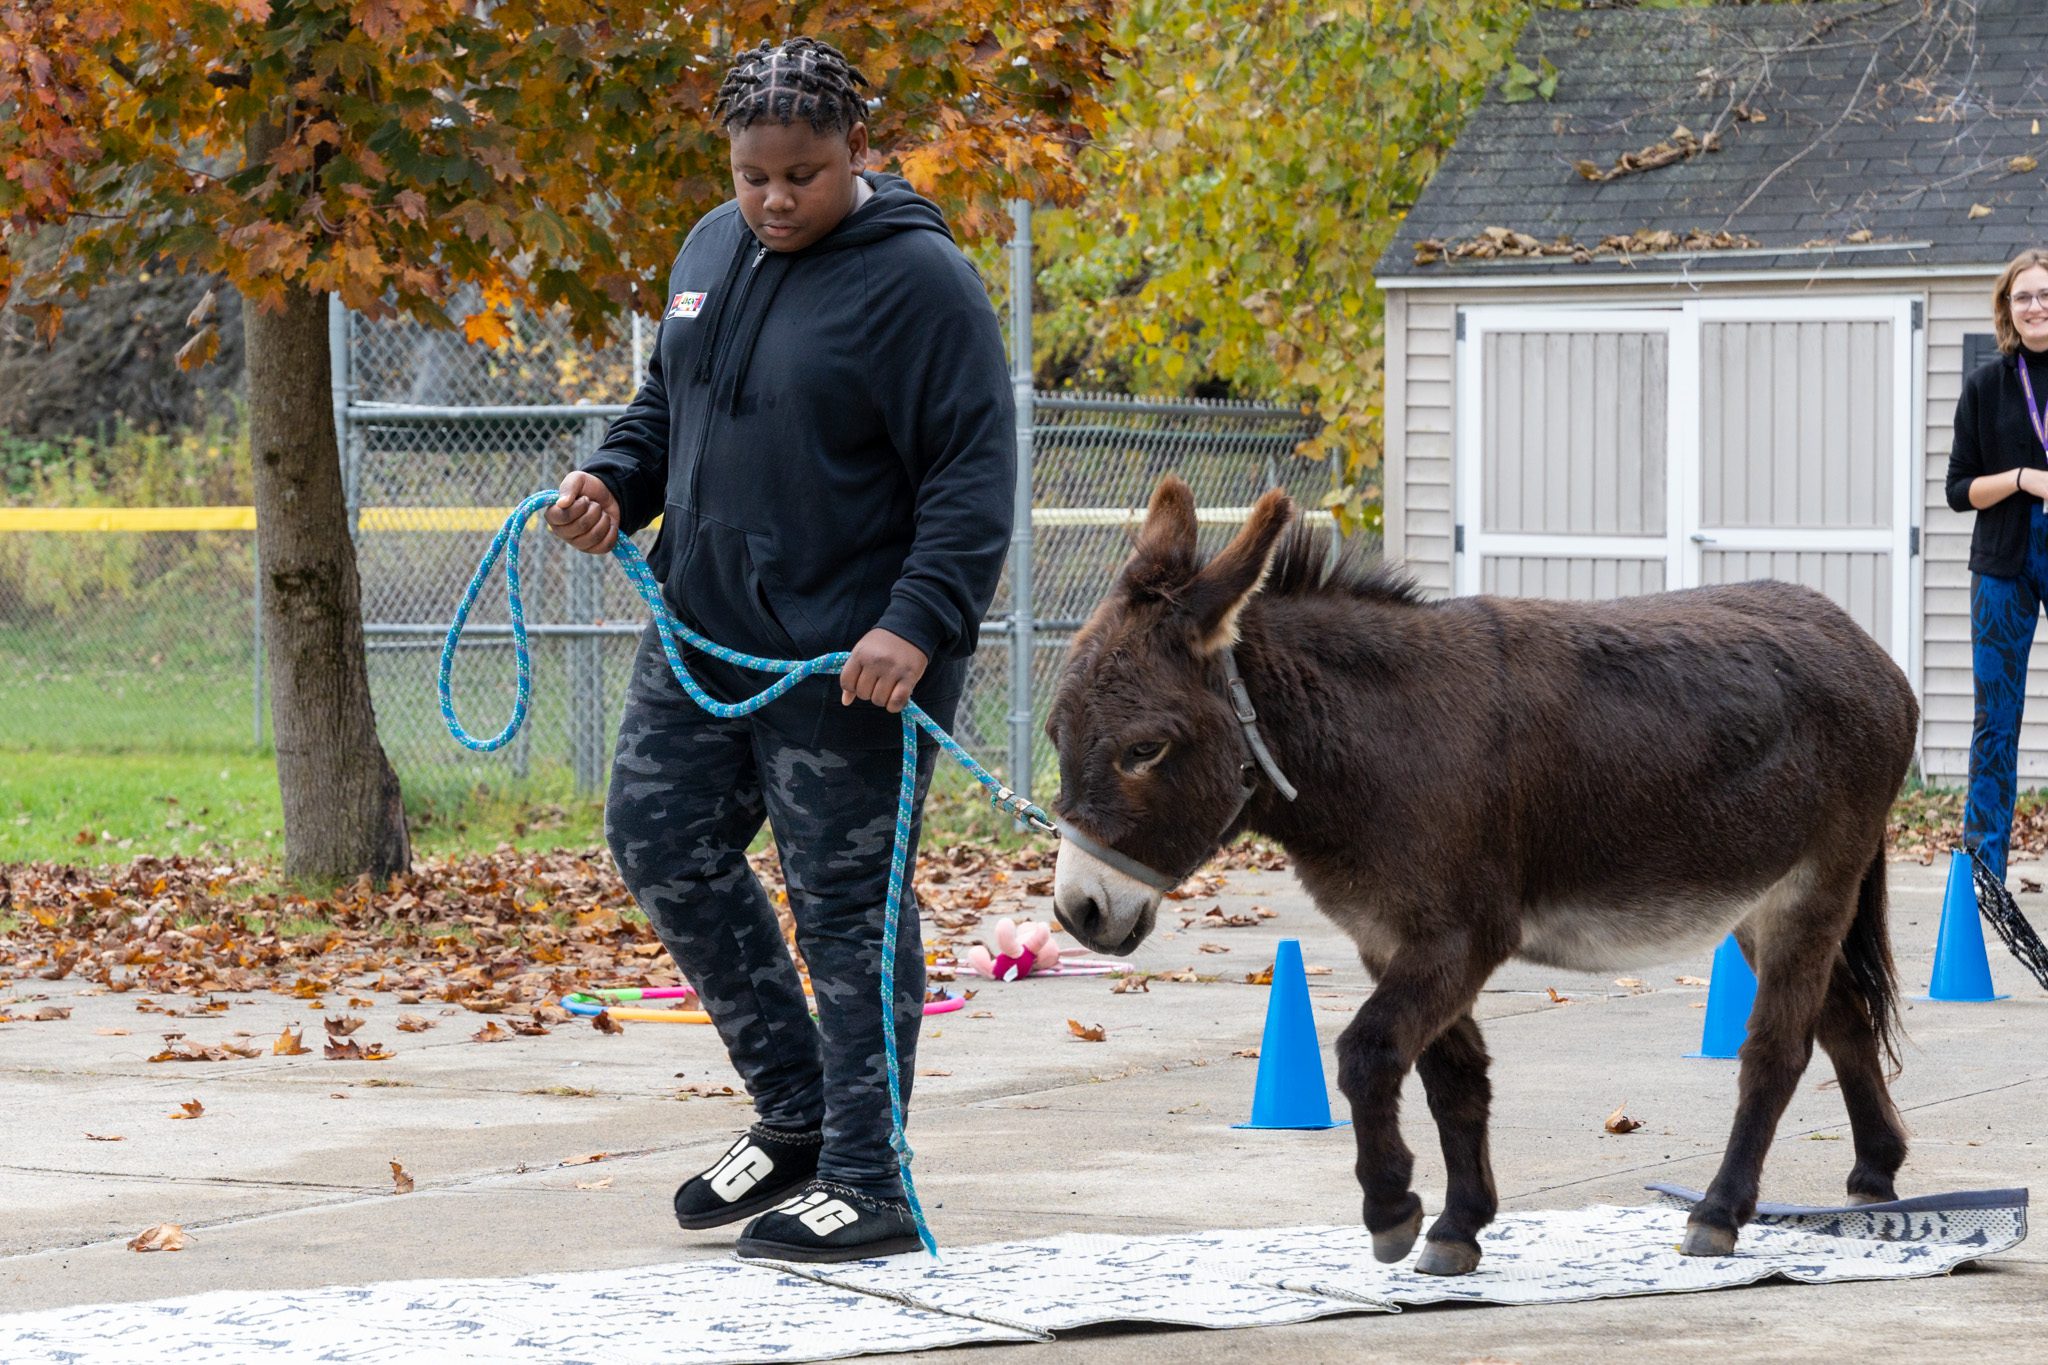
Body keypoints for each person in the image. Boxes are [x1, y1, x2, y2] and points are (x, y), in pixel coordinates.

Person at [543, 35, 1014, 1262]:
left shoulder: (921, 284)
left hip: (849, 663)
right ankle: (801, 1113)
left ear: (855, 151)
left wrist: (914, 625)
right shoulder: (709, 246)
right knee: (659, 843)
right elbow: (668, 405)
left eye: (801, 174)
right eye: (753, 174)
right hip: (708, 636)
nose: (773, 200)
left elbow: (972, 478)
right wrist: (610, 480)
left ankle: (872, 1180)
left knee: (847, 912)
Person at [1947, 247, 2048, 882]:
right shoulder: (1986, 387)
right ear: (2008, 310)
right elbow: (1960, 491)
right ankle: (1985, 874)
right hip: (2004, 566)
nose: (2037, 306)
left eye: (2046, 294)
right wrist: (2020, 478)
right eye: (2025, 297)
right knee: (1996, 721)